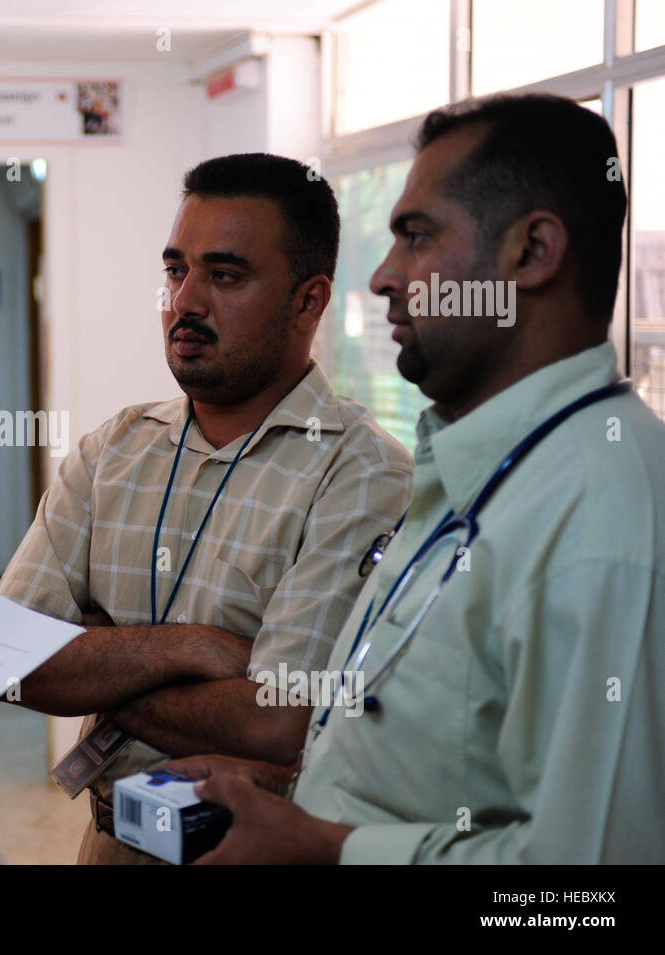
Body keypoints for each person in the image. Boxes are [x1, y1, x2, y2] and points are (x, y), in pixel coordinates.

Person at [171, 93, 665, 864]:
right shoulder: (485, 470)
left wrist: (328, 849)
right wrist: (289, 789)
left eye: (416, 236)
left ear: (531, 253)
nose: (380, 276)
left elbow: (586, 897)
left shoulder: (605, 515)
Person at [0, 153, 414, 864]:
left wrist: (102, 659)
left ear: (308, 302)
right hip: (106, 839)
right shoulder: (115, 449)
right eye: (175, 270)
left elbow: (277, 721)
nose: (185, 302)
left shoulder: (359, 471)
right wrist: (188, 647)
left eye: (225, 276)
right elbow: (8, 662)